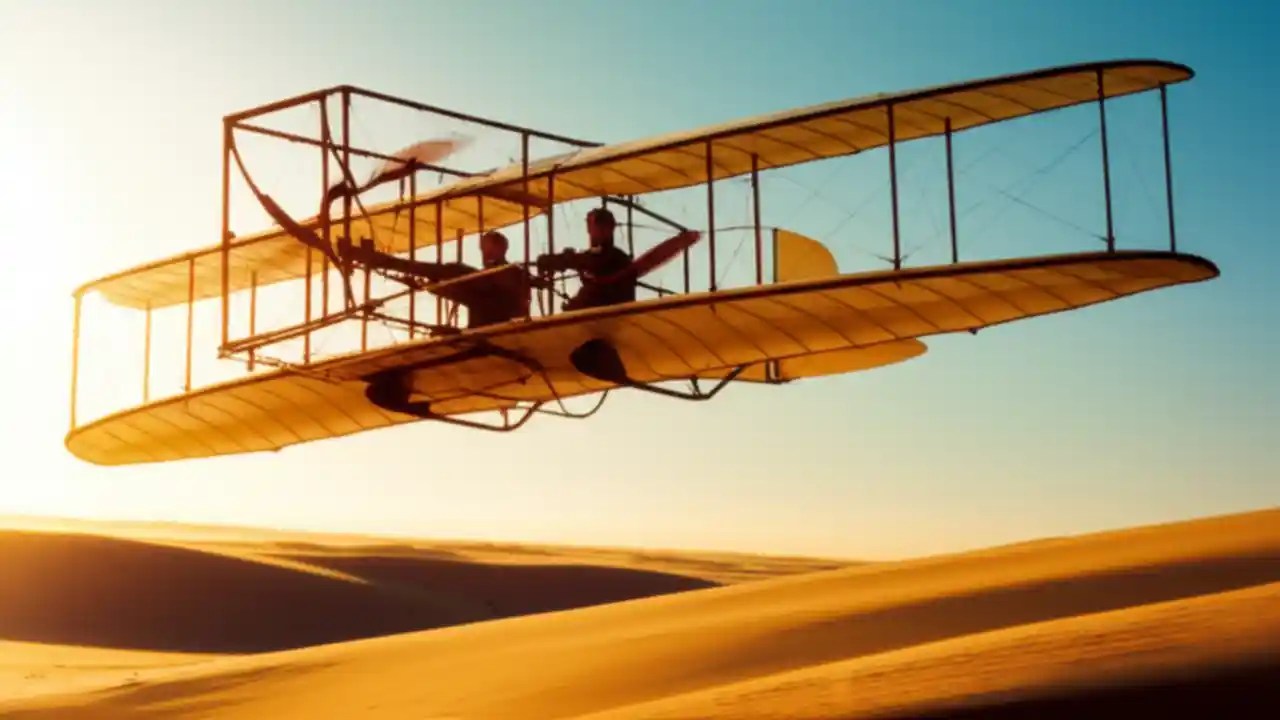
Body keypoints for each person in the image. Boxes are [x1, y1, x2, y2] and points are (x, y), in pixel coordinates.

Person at [542, 207, 636, 312]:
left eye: (601, 226)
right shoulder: (604, 255)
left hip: (608, 313)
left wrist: (560, 260)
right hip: (602, 313)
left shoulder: (615, 258)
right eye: (594, 225)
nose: (599, 230)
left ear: (610, 228)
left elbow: (592, 261)